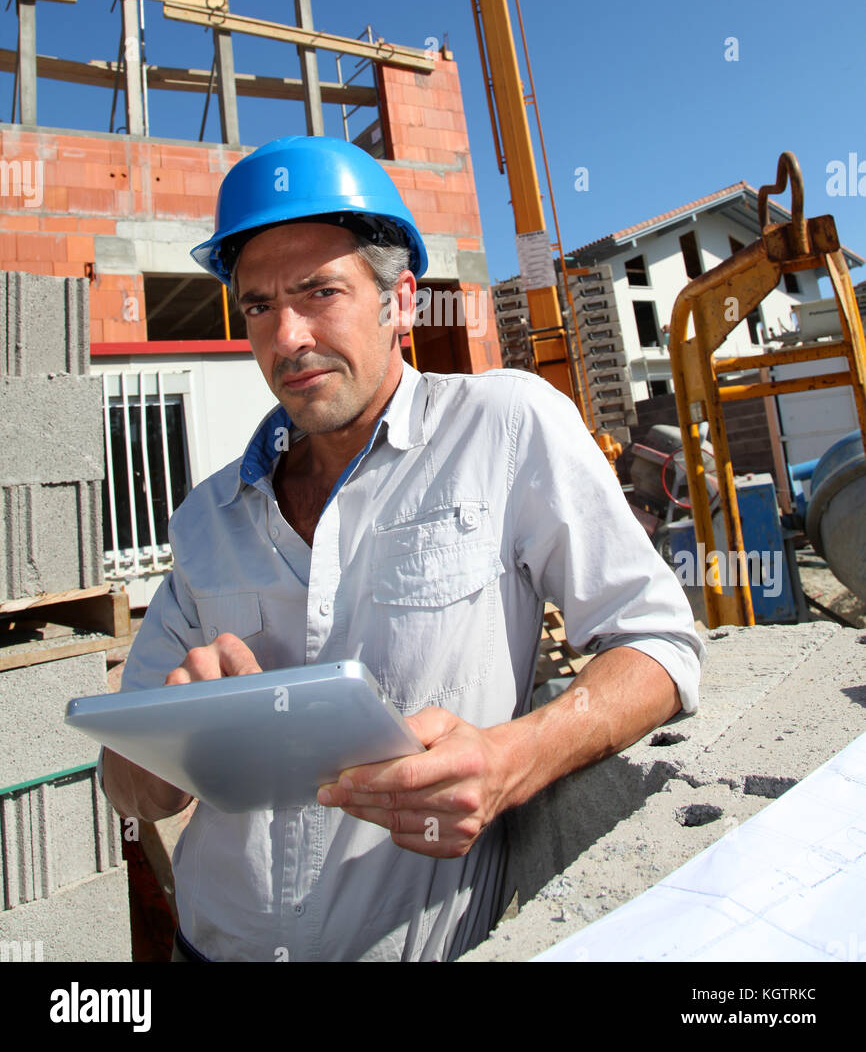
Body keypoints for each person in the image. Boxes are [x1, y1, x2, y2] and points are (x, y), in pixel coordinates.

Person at [101, 135, 705, 963]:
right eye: (258, 306)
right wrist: (177, 744)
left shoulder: (505, 430)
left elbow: (660, 645)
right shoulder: (209, 519)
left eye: (321, 292)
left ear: (401, 301)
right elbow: (125, 782)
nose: (288, 338)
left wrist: (509, 759)